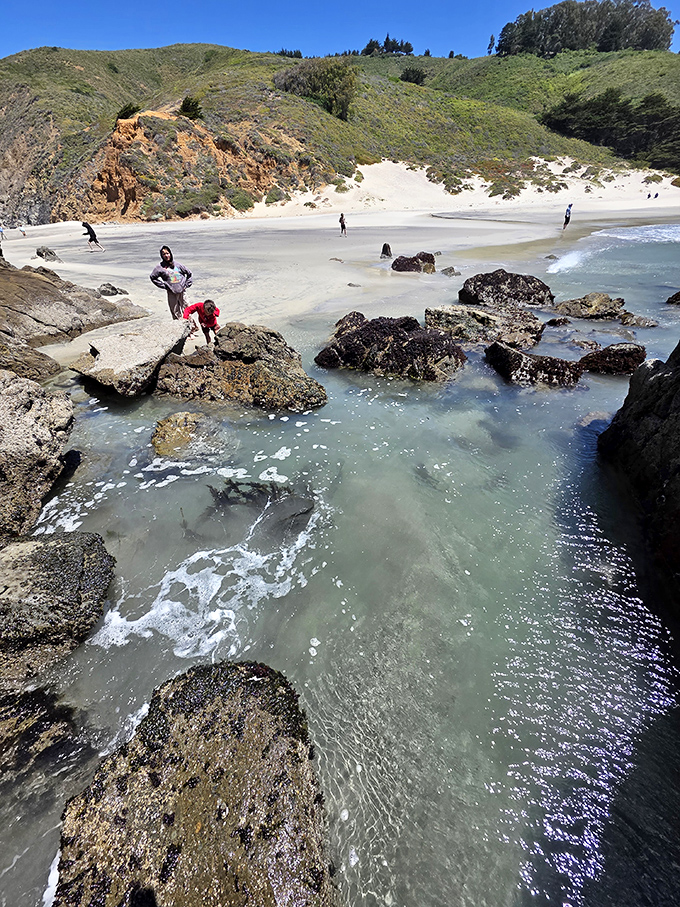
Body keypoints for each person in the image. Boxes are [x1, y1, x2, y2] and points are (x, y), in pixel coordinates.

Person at [150, 245, 193, 319]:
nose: (166, 255)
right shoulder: (160, 267)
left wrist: (187, 284)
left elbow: (189, 273)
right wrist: (164, 286)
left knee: (187, 310)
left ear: (170, 253)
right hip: (171, 292)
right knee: (175, 312)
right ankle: (180, 327)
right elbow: (153, 277)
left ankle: (192, 327)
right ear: (161, 256)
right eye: (164, 254)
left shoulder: (178, 265)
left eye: (167, 253)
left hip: (182, 291)